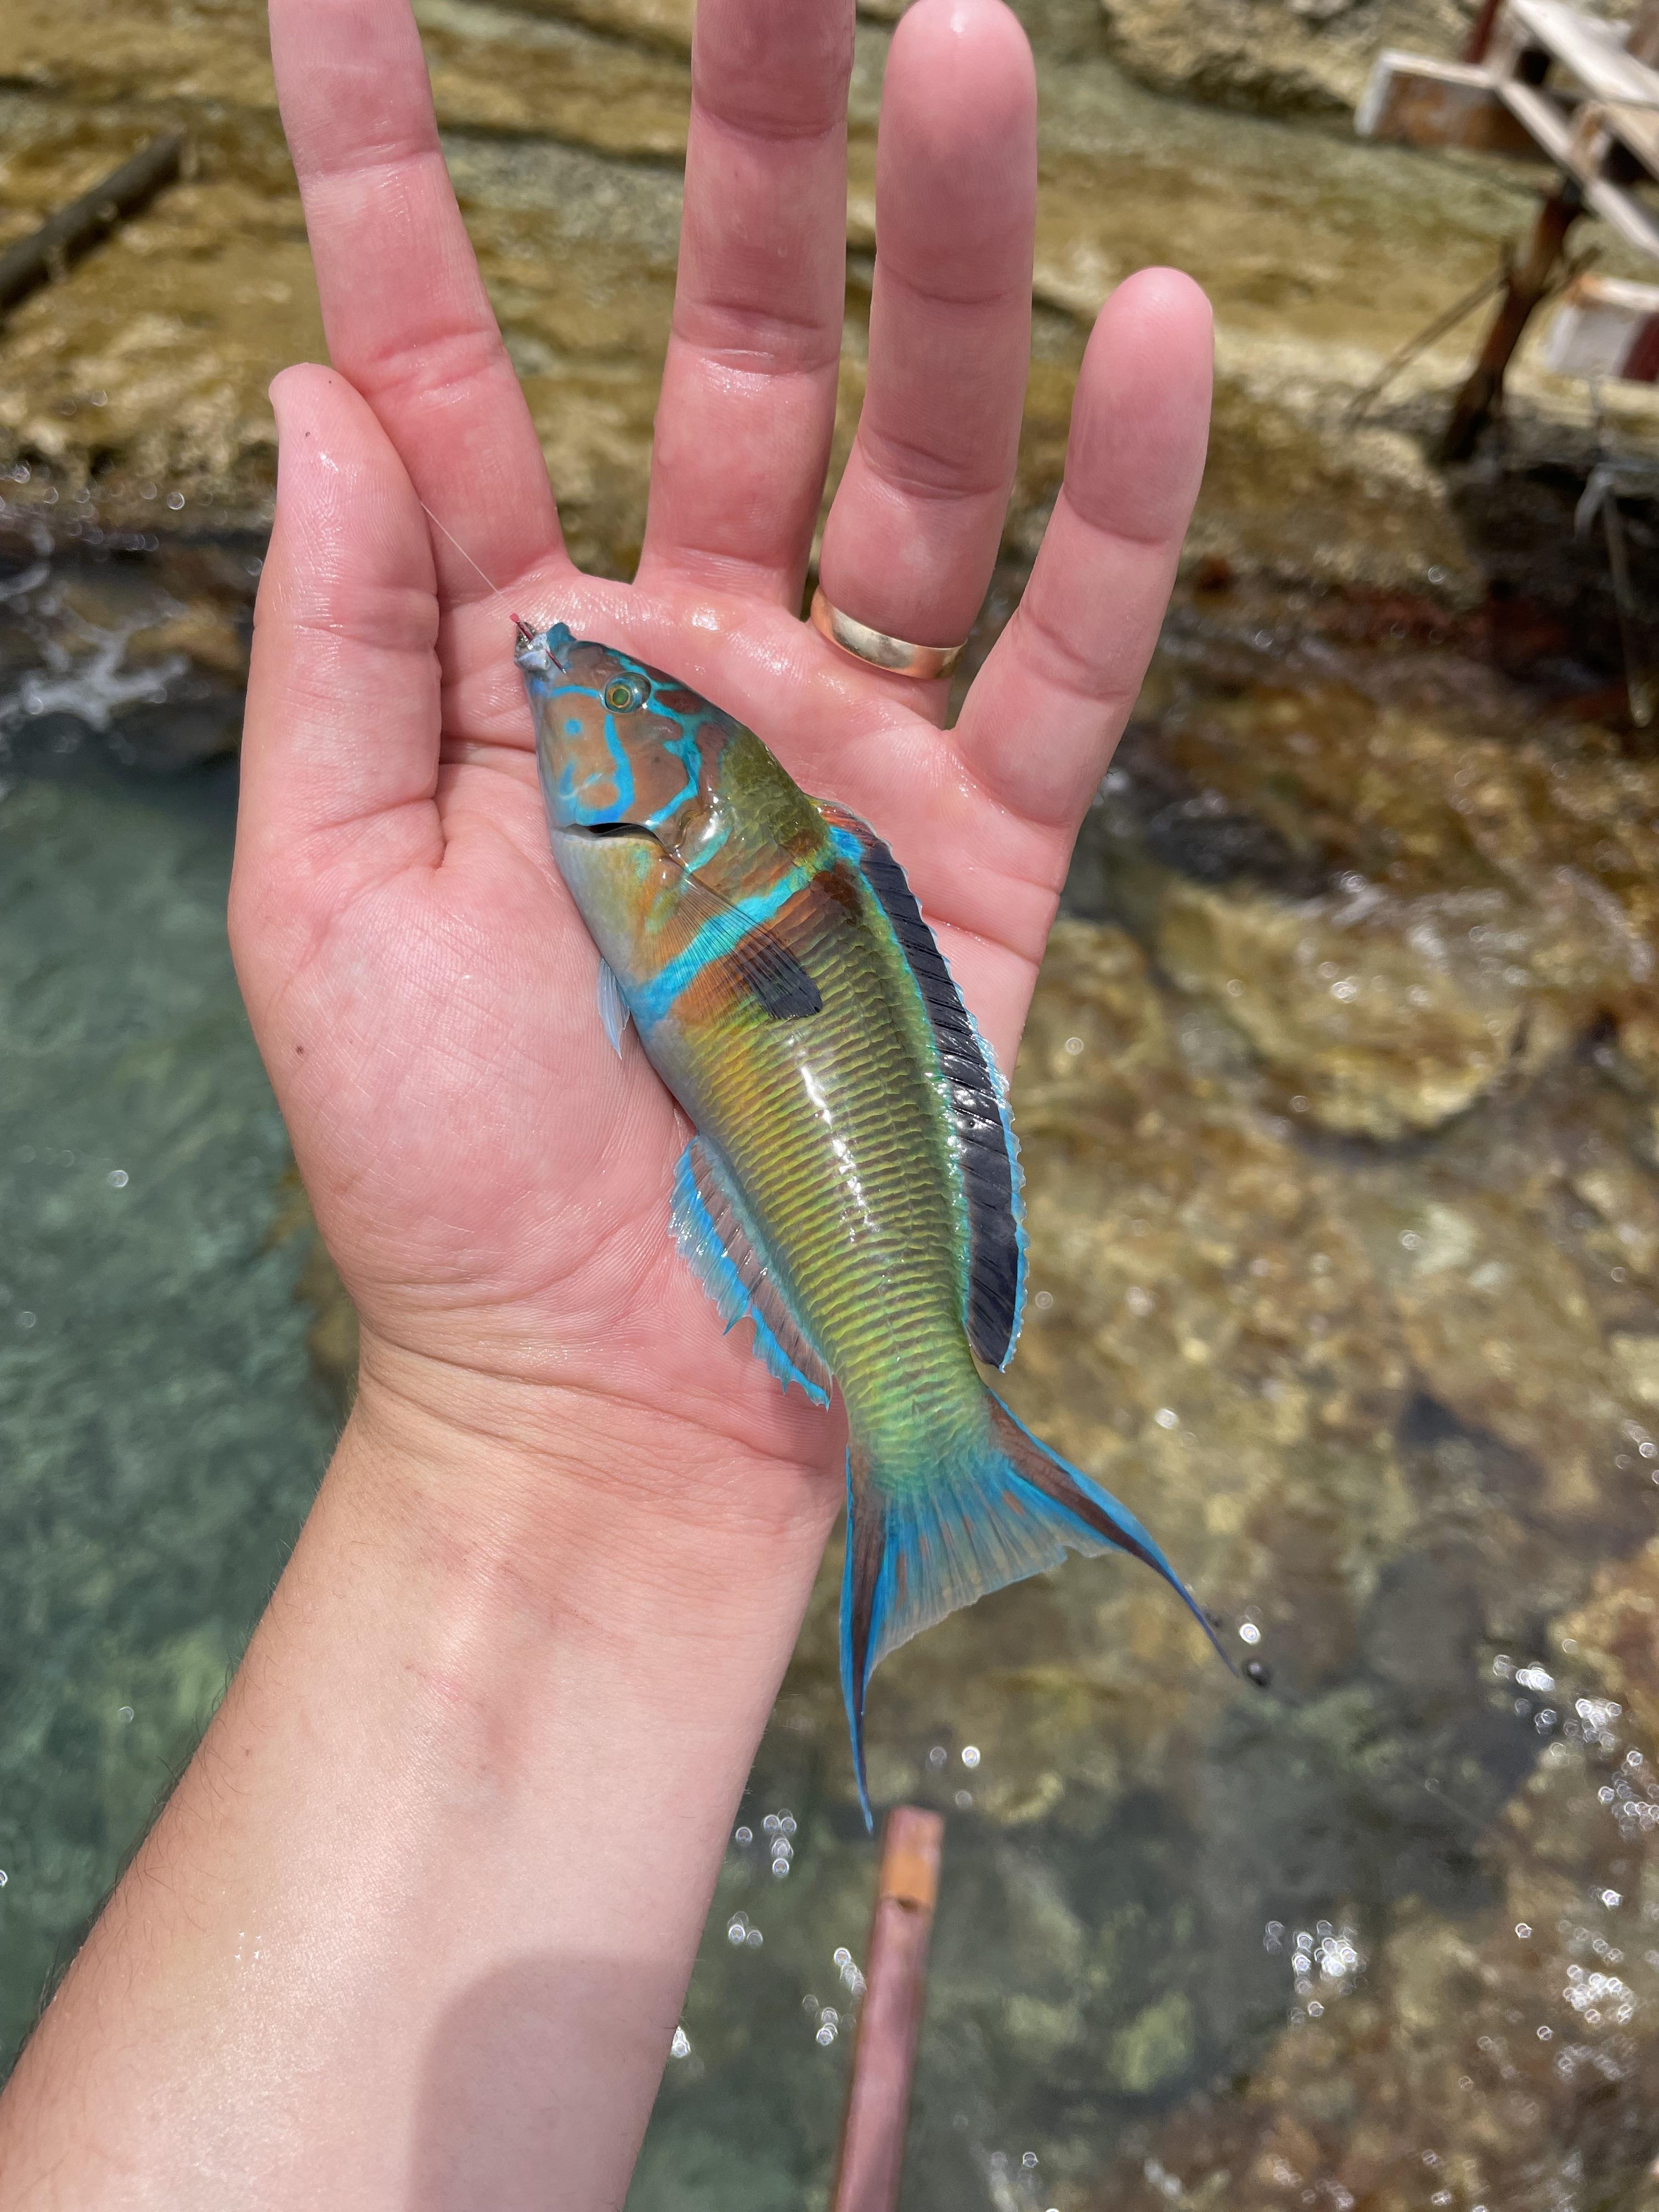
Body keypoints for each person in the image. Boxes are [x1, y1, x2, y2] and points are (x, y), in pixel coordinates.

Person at [0, 0, 1210, 2198]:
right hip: (786, 1043)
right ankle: (938, 1433)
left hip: (792, 1045)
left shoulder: (659, 827)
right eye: (577, 686)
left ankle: (938, 1439)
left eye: (607, 703)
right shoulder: (674, 837)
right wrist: (547, 1434)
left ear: (668, 800)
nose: (564, 684)